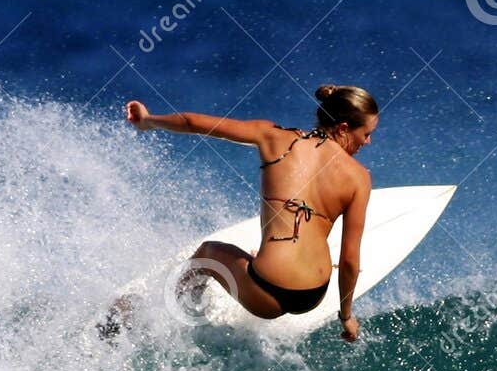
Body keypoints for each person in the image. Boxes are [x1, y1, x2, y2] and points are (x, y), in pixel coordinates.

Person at [124, 84, 377, 341]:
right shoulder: (360, 178)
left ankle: (164, 324)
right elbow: (349, 261)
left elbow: (192, 123)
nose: (367, 141)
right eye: (366, 134)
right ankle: (260, 263)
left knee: (207, 252)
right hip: (313, 293)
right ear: (343, 128)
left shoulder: (273, 136)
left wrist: (148, 121)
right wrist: (346, 316)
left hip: (265, 293)